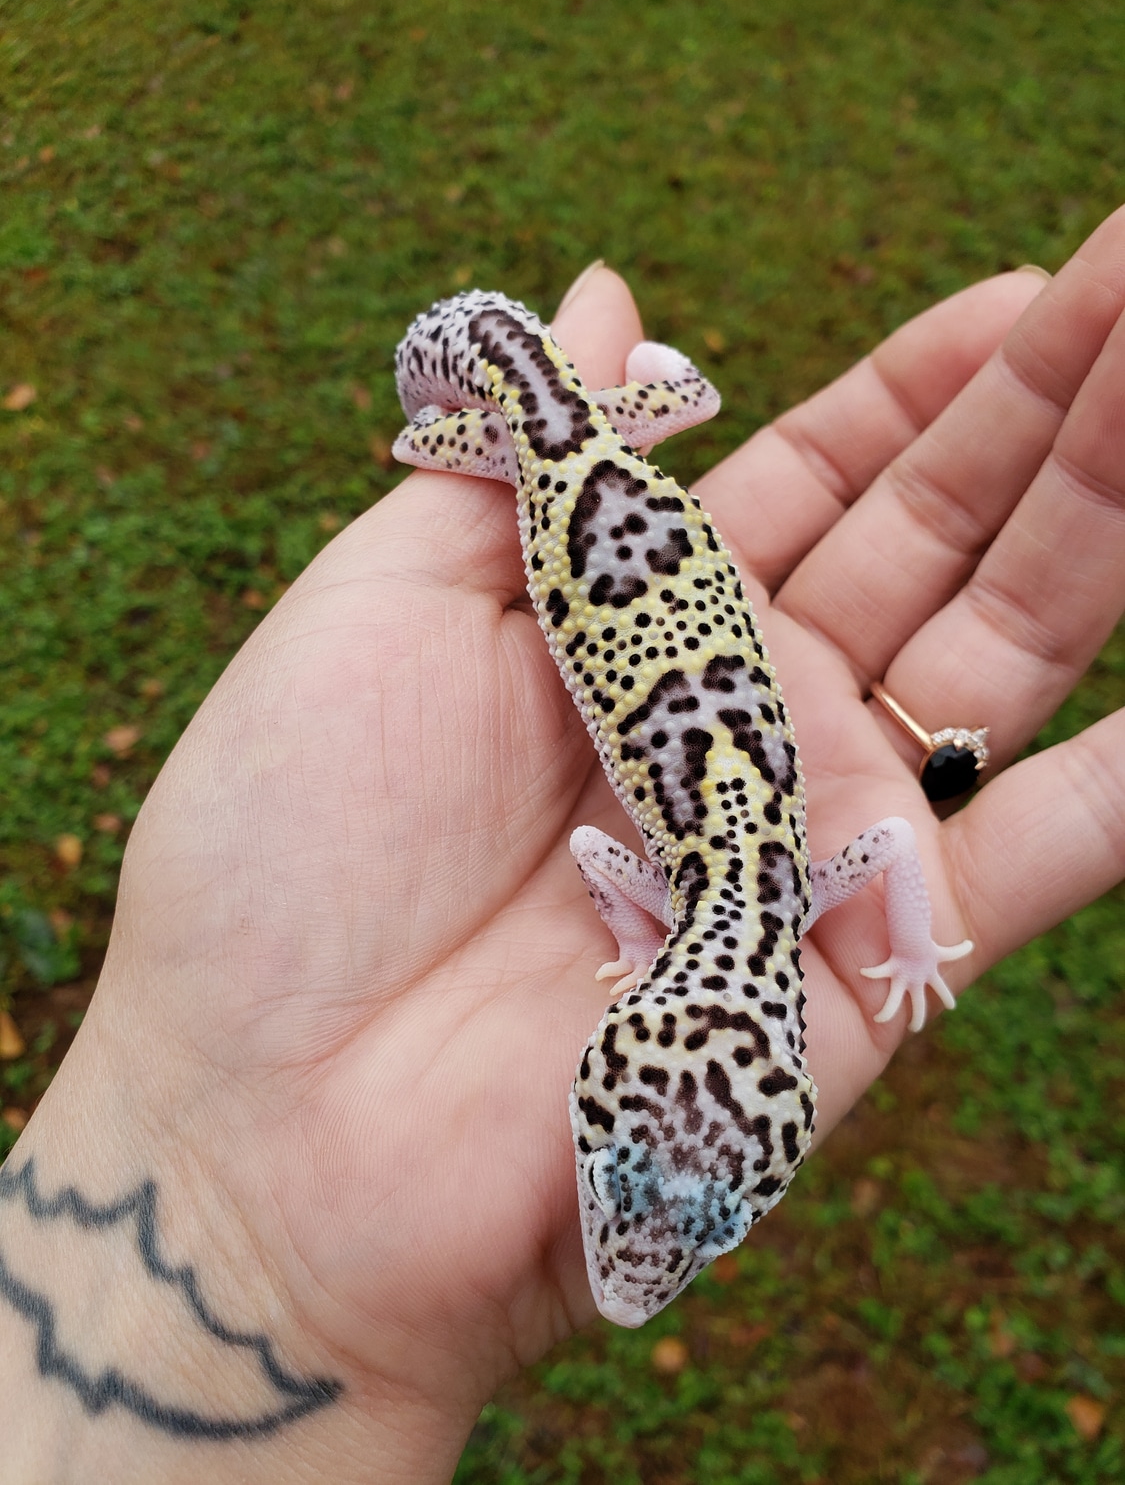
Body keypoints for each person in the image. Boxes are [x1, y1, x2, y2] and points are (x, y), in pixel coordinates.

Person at [1, 205, 1124, 1484]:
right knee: (448, 438)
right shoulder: (718, 891)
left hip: (599, 473)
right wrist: (878, 948)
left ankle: (618, 394)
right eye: (683, 1218)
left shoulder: (782, 891)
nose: (640, 1273)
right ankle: (549, 400)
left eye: (679, 1227)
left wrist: (874, 937)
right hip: (559, 475)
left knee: (619, 402)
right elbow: (691, 863)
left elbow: (860, 850)